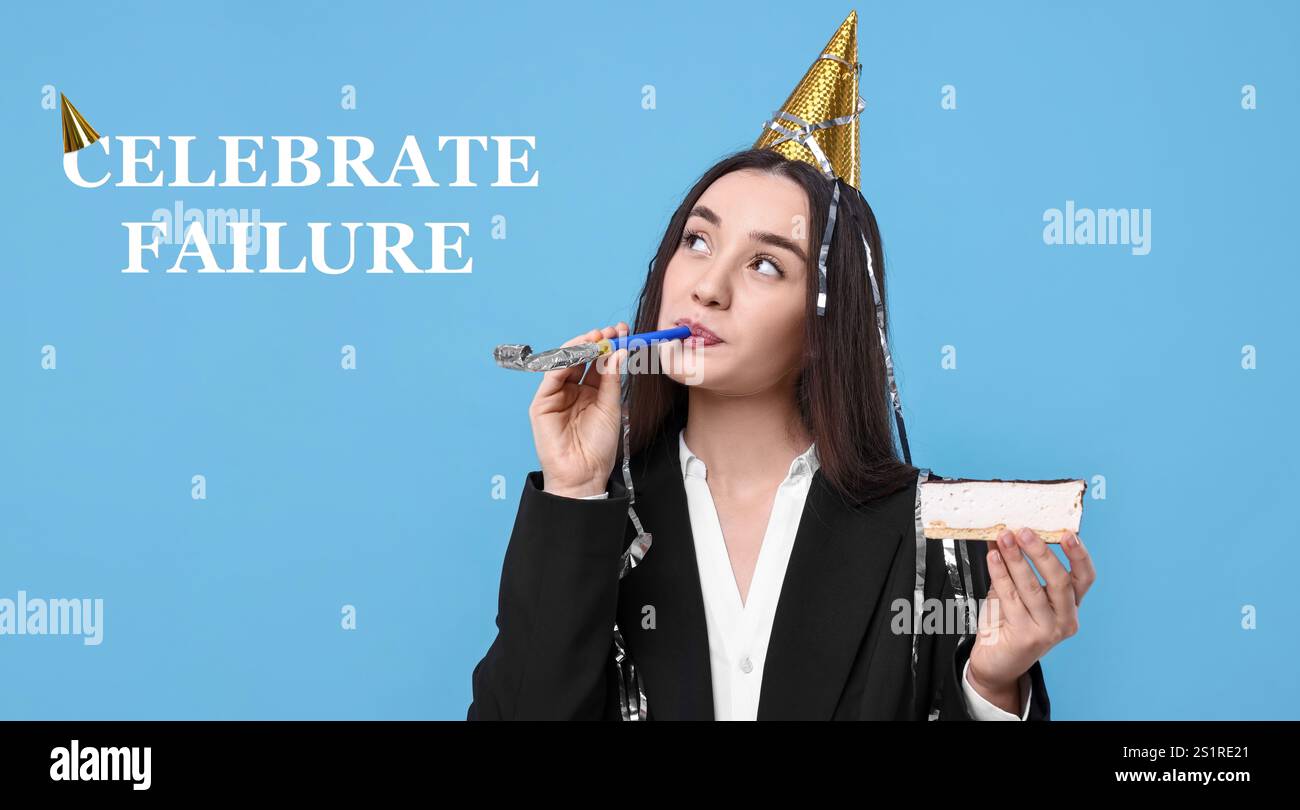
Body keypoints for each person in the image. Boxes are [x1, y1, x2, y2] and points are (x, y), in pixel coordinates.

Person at [467, 148, 1096, 720]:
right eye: (698, 241)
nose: (707, 288)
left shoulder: (933, 541)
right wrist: (574, 491)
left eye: (765, 264)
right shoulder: (596, 520)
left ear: (826, 321)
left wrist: (989, 687)